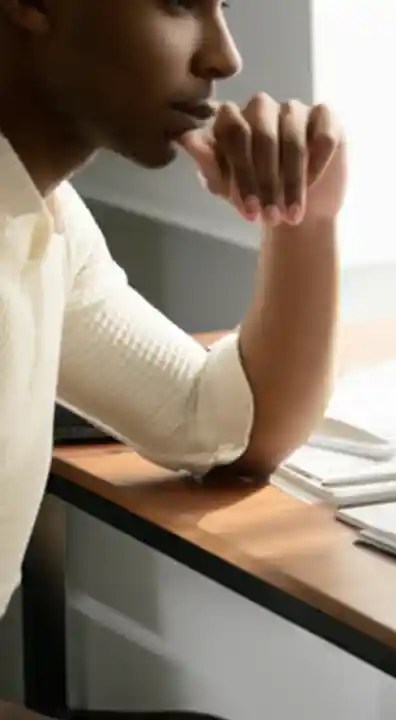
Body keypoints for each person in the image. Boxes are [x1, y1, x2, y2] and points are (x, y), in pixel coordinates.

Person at [0, 0, 346, 716]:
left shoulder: (43, 214)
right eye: (179, 4)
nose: (225, 57)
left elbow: (218, 428)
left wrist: (305, 222)